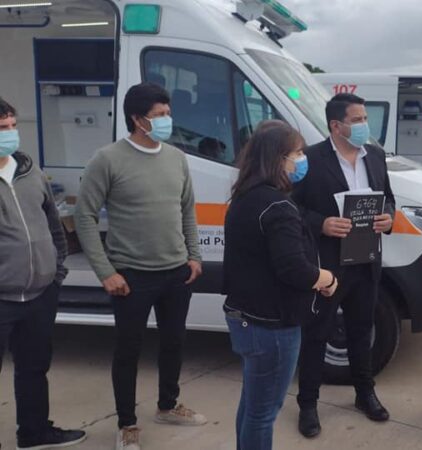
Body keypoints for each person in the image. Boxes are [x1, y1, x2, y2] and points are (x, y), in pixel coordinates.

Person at [75, 83, 206, 450]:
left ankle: (167, 404)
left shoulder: (177, 158)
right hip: (130, 275)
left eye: (167, 113)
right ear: (137, 119)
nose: (167, 120)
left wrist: (193, 256)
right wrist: (106, 272)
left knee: (174, 342)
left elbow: (186, 211)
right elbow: (84, 216)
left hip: (176, 272)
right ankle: (127, 423)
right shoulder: (108, 159)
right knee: (128, 350)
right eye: (159, 115)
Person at [223, 121, 339, 449]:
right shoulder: (277, 206)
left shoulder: (245, 197)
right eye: (297, 153)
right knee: (263, 411)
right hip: (272, 325)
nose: (303, 160)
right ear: (278, 159)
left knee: (252, 404)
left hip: (246, 317)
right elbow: (295, 269)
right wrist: (327, 279)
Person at [292, 93, 396, 438]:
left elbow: (390, 199)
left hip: (366, 260)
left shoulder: (376, 156)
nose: (364, 125)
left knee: (361, 331)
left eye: (365, 118)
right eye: (357, 119)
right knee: (317, 334)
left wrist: (388, 218)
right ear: (336, 126)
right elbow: (291, 207)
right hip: (327, 265)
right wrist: (320, 223)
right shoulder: (310, 159)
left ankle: (364, 393)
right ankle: (308, 403)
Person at [0, 98, 87, 449]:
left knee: (34, 368)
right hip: (2, 297)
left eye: (11, 126)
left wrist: (57, 271)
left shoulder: (29, 171)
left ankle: (34, 432)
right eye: (1, 128)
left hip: (39, 293)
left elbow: (54, 225)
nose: (9, 134)